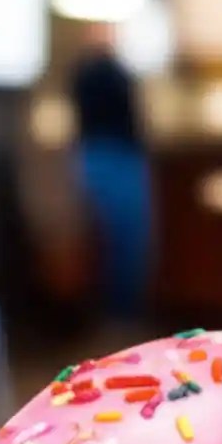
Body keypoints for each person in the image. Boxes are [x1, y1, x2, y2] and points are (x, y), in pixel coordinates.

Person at [70, 23, 152, 321]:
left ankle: (116, 310)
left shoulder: (86, 72)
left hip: (98, 156)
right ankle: (119, 311)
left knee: (114, 238)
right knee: (121, 238)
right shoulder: (107, 73)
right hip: (112, 156)